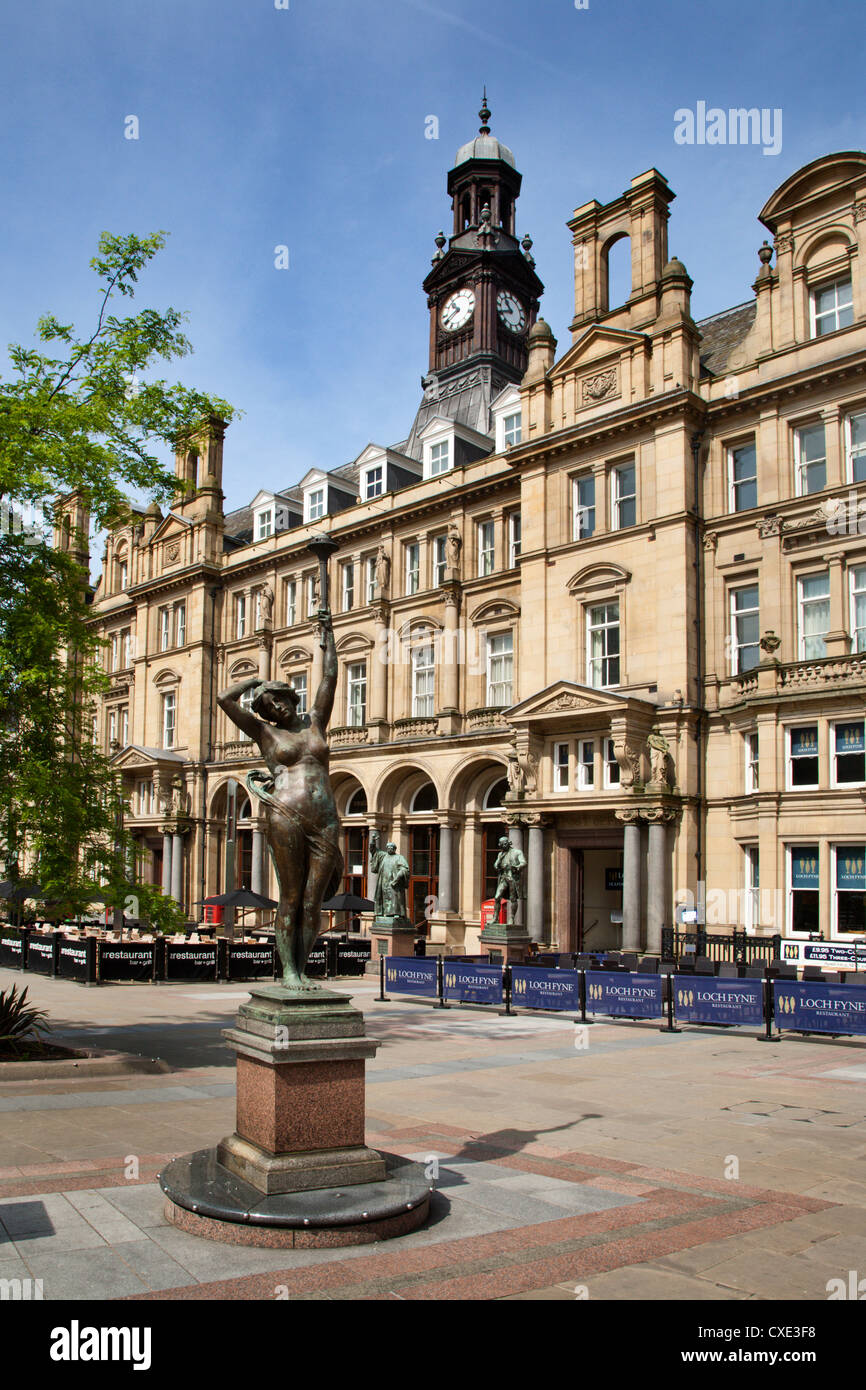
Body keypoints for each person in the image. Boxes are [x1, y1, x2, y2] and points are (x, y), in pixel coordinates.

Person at [217, 608, 343, 991]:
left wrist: (329, 634)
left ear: (291, 697)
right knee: (290, 896)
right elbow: (225, 699)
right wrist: (256, 681)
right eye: (269, 706)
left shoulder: (315, 722)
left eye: (280, 700)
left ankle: (301, 971)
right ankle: (289, 972)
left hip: (325, 819)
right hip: (286, 815)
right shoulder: (265, 735)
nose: (277, 708)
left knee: (313, 901)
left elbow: (331, 677)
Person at [369, 831, 410, 921]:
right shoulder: (383, 856)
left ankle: (397, 914)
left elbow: (405, 869)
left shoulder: (399, 857)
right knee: (384, 899)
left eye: (392, 847)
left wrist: (397, 879)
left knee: (396, 899)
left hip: (394, 883)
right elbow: (373, 850)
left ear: (395, 849)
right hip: (384, 883)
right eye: (388, 847)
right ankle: (384, 913)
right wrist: (373, 840)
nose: (390, 849)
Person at [492, 835, 525, 925]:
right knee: (497, 897)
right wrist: (498, 862)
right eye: (501, 845)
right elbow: (495, 865)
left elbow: (523, 862)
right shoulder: (501, 854)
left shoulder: (517, 852)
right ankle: (495, 918)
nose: (502, 847)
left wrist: (517, 867)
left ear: (507, 844)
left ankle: (511, 918)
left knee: (513, 898)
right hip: (504, 878)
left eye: (503, 845)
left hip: (513, 877)